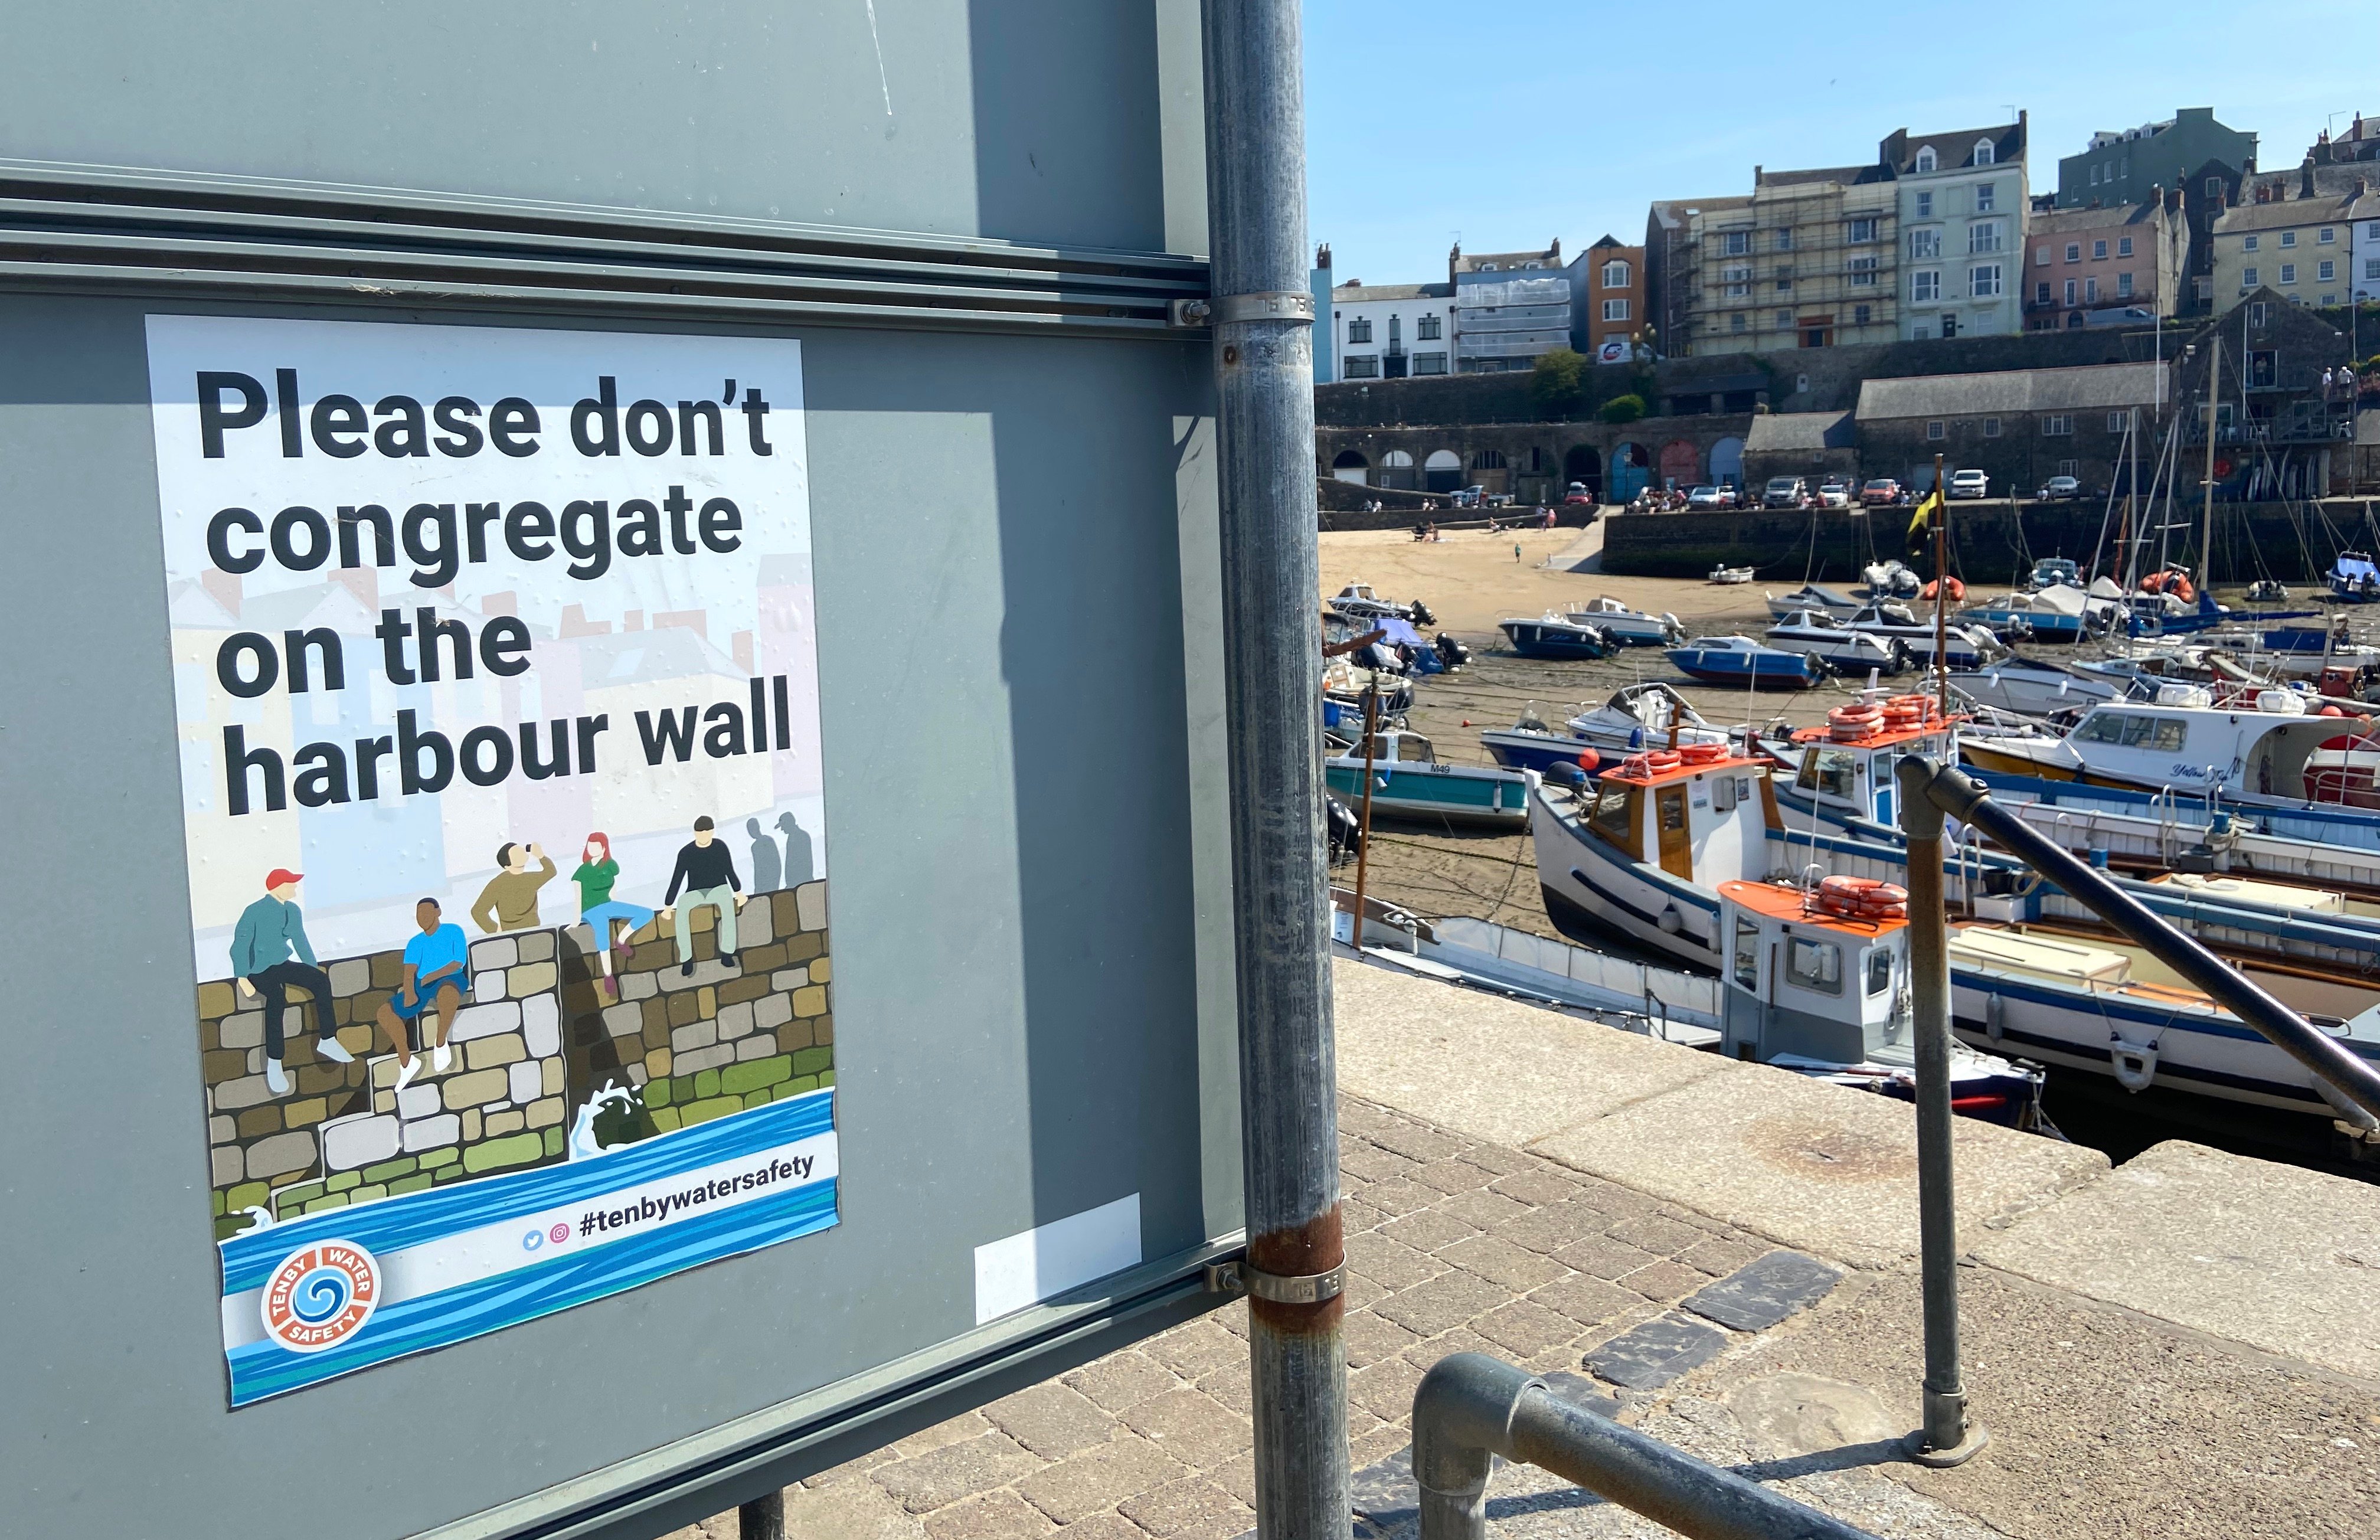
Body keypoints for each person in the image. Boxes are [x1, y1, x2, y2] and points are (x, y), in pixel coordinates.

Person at [231, 868, 351, 1097]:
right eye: (291, 883)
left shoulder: (292, 911)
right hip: (258, 968)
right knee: (277, 998)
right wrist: (243, 976)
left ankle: (328, 1039)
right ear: (278, 886)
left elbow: (300, 940)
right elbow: (240, 944)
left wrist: (312, 968)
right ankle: (275, 1062)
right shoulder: (255, 911)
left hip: (281, 963)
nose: (295, 887)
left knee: (320, 981)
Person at [376, 897, 469, 1089]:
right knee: (385, 1012)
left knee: (447, 994)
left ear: (438, 912)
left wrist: (433, 975)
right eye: (419, 914)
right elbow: (409, 972)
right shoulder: (415, 943)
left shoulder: (454, 931)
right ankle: (407, 1063)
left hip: (450, 978)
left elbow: (458, 962)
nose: (423, 917)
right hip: (423, 984)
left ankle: (441, 1042)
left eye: (427, 913)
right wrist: (410, 992)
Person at [573, 833, 657, 999]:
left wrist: (615, 906)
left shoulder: (611, 866)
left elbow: (613, 890)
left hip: (608, 904)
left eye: (596, 846)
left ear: (604, 848)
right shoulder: (582, 871)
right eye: (590, 845)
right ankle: (608, 975)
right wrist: (576, 920)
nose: (592, 849)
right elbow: (578, 897)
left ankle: (621, 940)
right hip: (590, 909)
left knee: (646, 913)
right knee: (602, 936)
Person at [661, 816, 747, 976]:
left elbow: (729, 871)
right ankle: (686, 959)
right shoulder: (686, 853)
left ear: (713, 831)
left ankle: (727, 953)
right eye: (700, 833)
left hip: (719, 888)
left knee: (727, 903)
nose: (704, 835)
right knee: (683, 905)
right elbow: (677, 879)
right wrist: (668, 906)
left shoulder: (720, 847)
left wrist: (739, 892)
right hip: (695, 891)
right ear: (695, 833)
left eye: (707, 832)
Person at [471, 841, 556, 933]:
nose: (522, 853)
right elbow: (477, 912)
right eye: (517, 854)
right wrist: (496, 931)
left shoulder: (530, 879)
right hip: (512, 935)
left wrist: (541, 856)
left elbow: (551, 872)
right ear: (507, 866)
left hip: (534, 932)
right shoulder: (498, 884)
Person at [777, 810, 815, 887]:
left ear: (788, 823)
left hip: (802, 884)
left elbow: (804, 862)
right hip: (795, 884)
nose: (782, 829)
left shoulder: (801, 836)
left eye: (783, 826)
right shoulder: (793, 837)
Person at [747, 817, 783, 894]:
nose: (750, 832)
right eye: (749, 830)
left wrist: (758, 888)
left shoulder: (759, 845)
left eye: (751, 828)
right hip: (769, 881)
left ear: (758, 827)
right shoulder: (766, 841)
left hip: (768, 882)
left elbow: (759, 869)